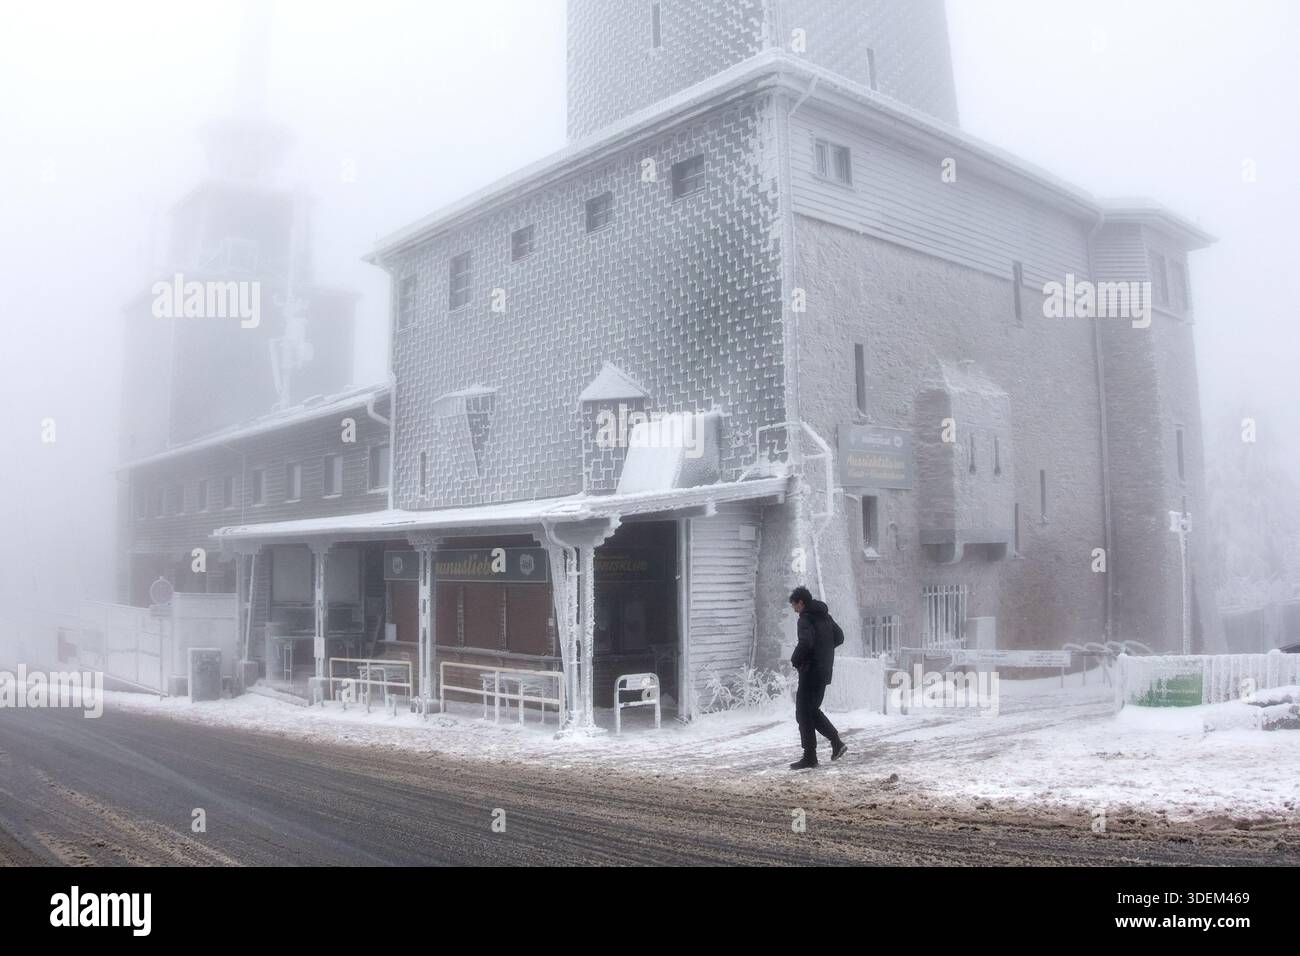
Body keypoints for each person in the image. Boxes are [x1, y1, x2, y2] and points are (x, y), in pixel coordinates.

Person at [788, 587, 847, 770]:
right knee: (811, 711)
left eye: (794, 605)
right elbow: (839, 637)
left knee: (803, 713)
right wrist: (824, 651)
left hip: (810, 672)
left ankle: (811, 756)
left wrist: (795, 659)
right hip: (823, 671)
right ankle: (834, 743)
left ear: (801, 602)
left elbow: (806, 642)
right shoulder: (824, 615)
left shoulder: (805, 618)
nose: (794, 609)